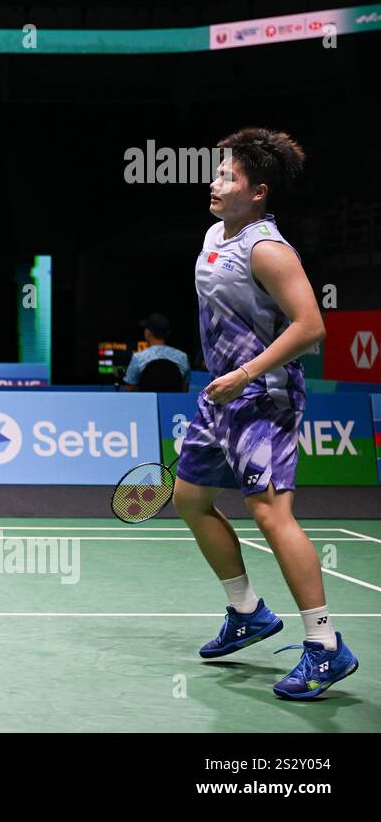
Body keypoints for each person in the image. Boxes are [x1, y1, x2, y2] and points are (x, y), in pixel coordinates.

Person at [173, 127, 356, 699]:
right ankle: (247, 611)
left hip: (263, 398)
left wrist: (247, 374)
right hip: (221, 394)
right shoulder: (213, 235)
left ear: (259, 191)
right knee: (189, 498)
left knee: (271, 514)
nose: (215, 181)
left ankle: (325, 646)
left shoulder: (267, 249)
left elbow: (311, 326)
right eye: (218, 172)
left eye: (228, 176)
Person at [122, 313, 190, 391]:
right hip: (173, 402)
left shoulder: (138, 358)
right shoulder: (183, 357)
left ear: (148, 333)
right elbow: (184, 391)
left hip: (146, 402)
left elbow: (129, 391)